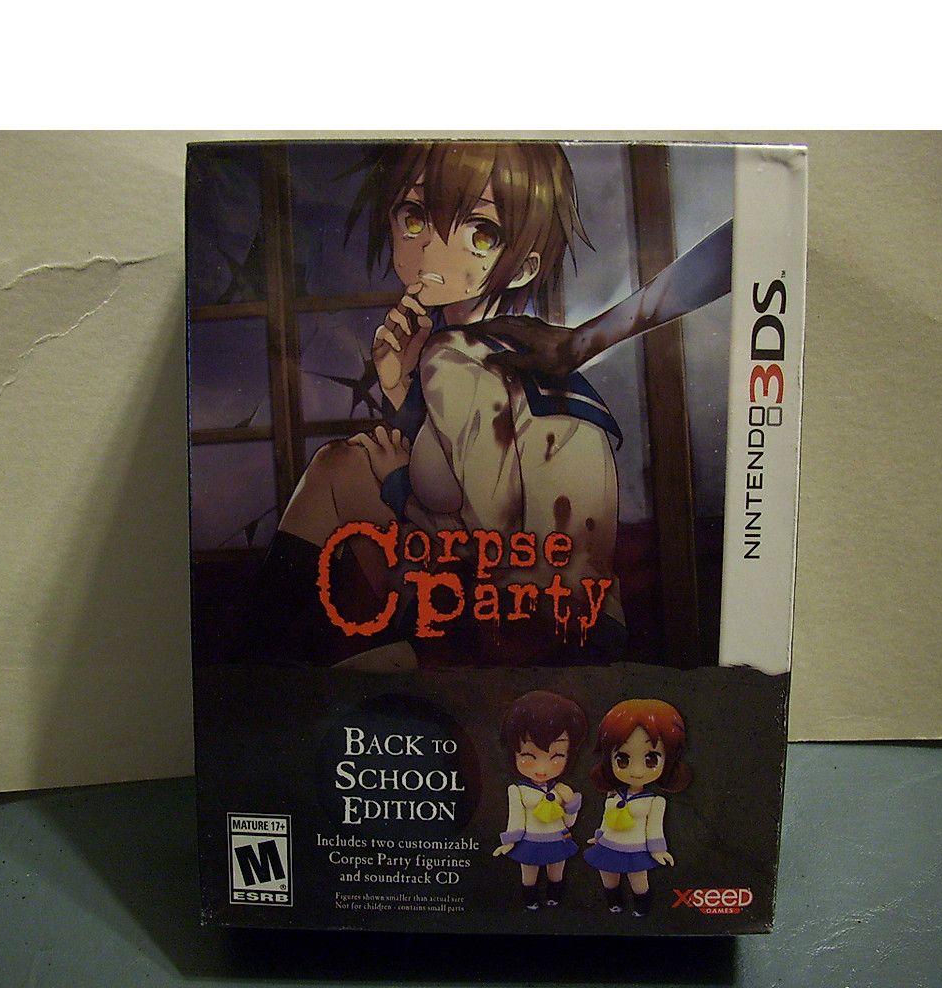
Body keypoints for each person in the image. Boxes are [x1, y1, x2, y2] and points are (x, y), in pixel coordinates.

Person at [249, 141, 624, 666]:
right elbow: (455, 472)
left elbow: (494, 541)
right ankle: (258, 663)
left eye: (479, 233)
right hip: (505, 604)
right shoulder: (473, 348)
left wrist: (396, 487)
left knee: (346, 473)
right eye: (415, 216)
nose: (432, 246)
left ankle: (257, 665)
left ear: (523, 267)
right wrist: (401, 391)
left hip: (539, 630)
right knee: (341, 465)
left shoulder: (458, 360)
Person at [584, 698, 692, 916]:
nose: (636, 771)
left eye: (651, 760)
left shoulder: (655, 802)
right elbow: (606, 818)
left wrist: (658, 849)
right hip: (608, 844)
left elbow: (654, 828)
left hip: (635, 849)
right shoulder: (613, 794)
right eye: (622, 759)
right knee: (608, 876)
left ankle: (642, 907)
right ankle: (614, 902)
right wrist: (599, 836)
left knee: (638, 880)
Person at [492, 690, 589, 910]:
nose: (542, 768)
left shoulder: (560, 789)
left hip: (558, 838)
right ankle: (530, 900)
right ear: (513, 753)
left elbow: (569, 822)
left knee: (557, 872)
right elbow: (516, 819)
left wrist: (571, 803)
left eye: (557, 756)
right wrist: (509, 842)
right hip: (530, 840)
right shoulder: (517, 791)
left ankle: (554, 897)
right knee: (529, 874)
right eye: (529, 756)